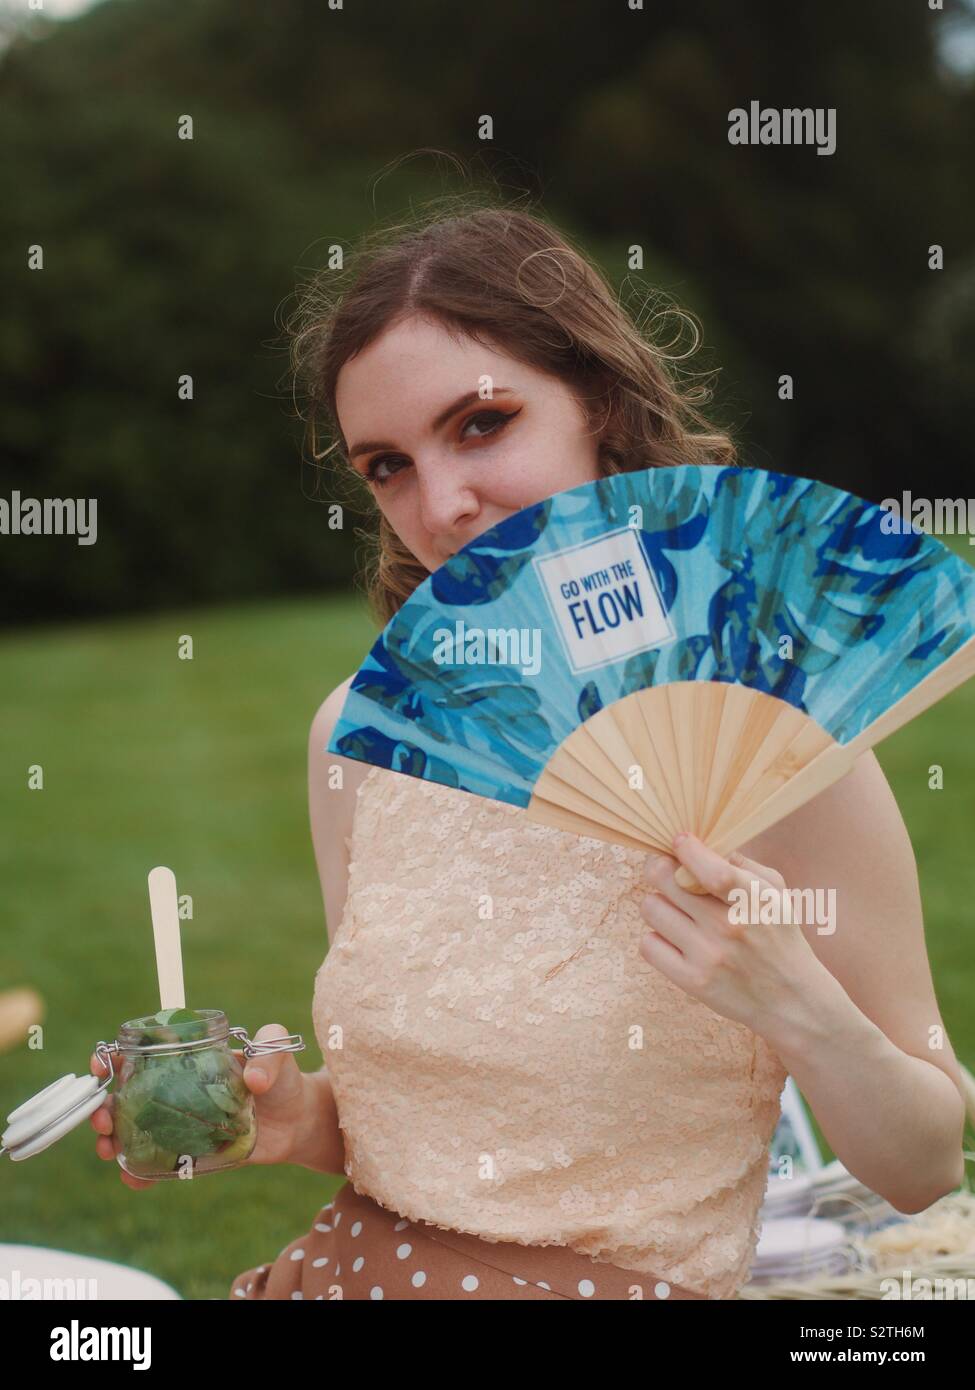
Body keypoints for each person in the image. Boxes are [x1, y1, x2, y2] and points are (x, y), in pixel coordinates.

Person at [89, 193, 967, 1302]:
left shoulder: (775, 747)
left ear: (597, 402)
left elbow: (927, 1164)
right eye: (386, 466)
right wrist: (299, 1115)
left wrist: (791, 995)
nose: (441, 502)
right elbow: (427, 1142)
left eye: (481, 423)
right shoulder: (364, 738)